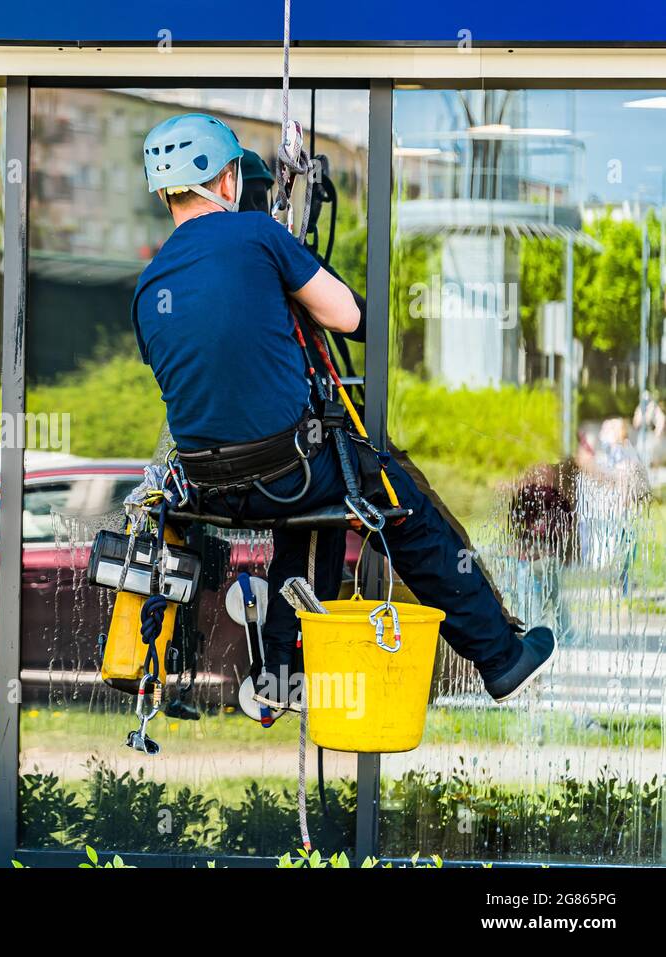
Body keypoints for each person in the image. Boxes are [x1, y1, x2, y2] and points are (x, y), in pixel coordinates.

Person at [132, 113, 555, 708]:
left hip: (211, 488)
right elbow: (353, 320)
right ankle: (501, 655)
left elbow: (212, 371)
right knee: (399, 500)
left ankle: (282, 675)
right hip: (290, 471)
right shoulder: (258, 236)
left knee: (318, 515)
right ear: (226, 182)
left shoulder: (149, 287)